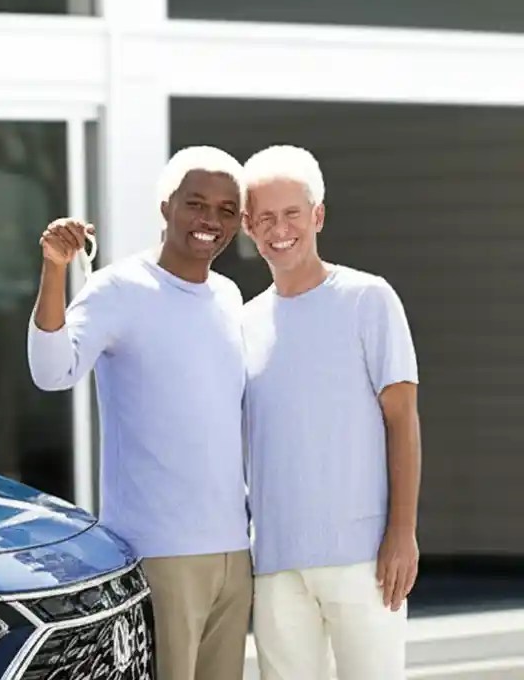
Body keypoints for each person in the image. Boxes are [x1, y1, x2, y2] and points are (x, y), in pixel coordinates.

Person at [27, 146, 252, 679]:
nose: (210, 221)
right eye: (196, 204)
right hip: (159, 553)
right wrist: (55, 271)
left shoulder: (228, 295)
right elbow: (51, 370)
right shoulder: (120, 288)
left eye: (225, 211)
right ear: (165, 206)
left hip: (233, 553)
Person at [238, 145, 420, 679]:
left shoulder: (369, 299)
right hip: (275, 563)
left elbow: (402, 420)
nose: (280, 229)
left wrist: (402, 532)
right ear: (248, 226)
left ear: (317, 215)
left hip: (364, 558)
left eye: (292, 213)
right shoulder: (243, 322)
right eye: (265, 217)